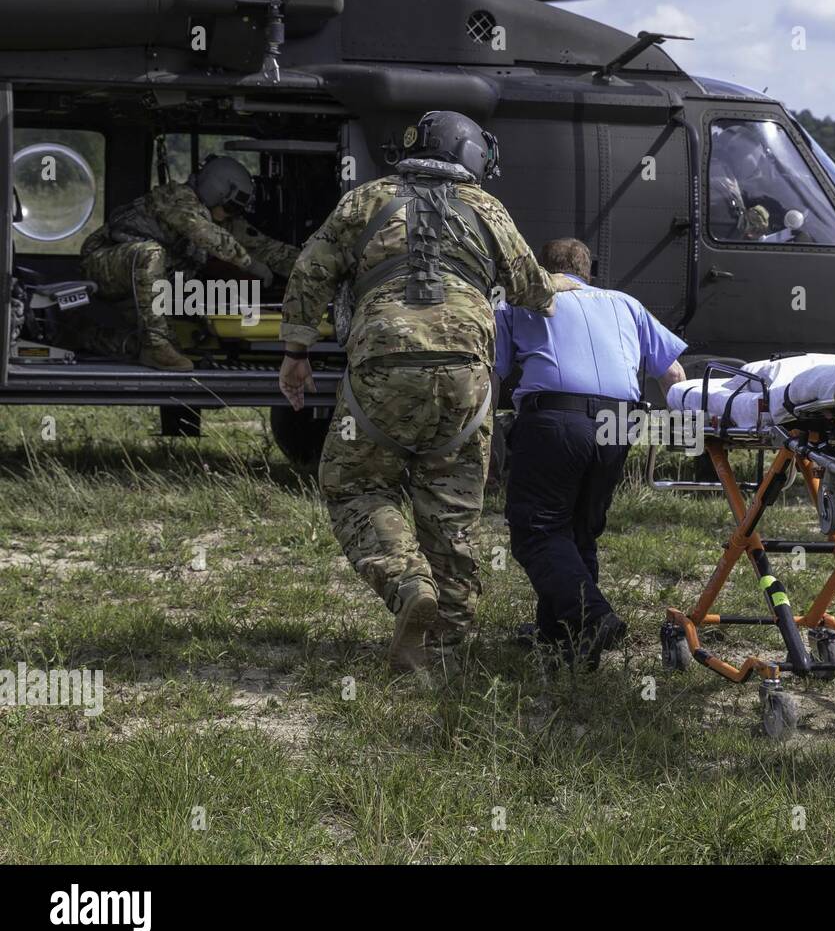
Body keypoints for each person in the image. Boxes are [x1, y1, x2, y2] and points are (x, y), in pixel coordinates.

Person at [277, 110, 577, 677]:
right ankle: (445, 647)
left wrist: (296, 352)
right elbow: (533, 290)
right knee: (453, 510)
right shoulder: (488, 209)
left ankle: (408, 582)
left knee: (355, 485)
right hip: (467, 375)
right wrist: (557, 283)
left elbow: (310, 271)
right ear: (468, 156)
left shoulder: (364, 201)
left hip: (382, 368)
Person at [495, 237, 687, 671]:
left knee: (537, 529)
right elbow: (673, 373)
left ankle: (592, 617)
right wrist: (689, 430)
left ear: (542, 268)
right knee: (580, 528)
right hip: (620, 421)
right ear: (589, 272)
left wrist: (481, 431)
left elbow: (494, 370)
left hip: (557, 418)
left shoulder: (521, 302)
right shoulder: (626, 303)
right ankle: (563, 635)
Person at [76, 155, 298, 370]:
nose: (232, 215)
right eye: (231, 207)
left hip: (146, 284)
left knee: (178, 348)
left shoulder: (221, 219)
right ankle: (157, 346)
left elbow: (266, 247)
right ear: (215, 191)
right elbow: (204, 233)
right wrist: (250, 264)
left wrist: (313, 268)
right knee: (150, 253)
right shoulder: (177, 199)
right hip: (106, 265)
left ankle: (83, 335)